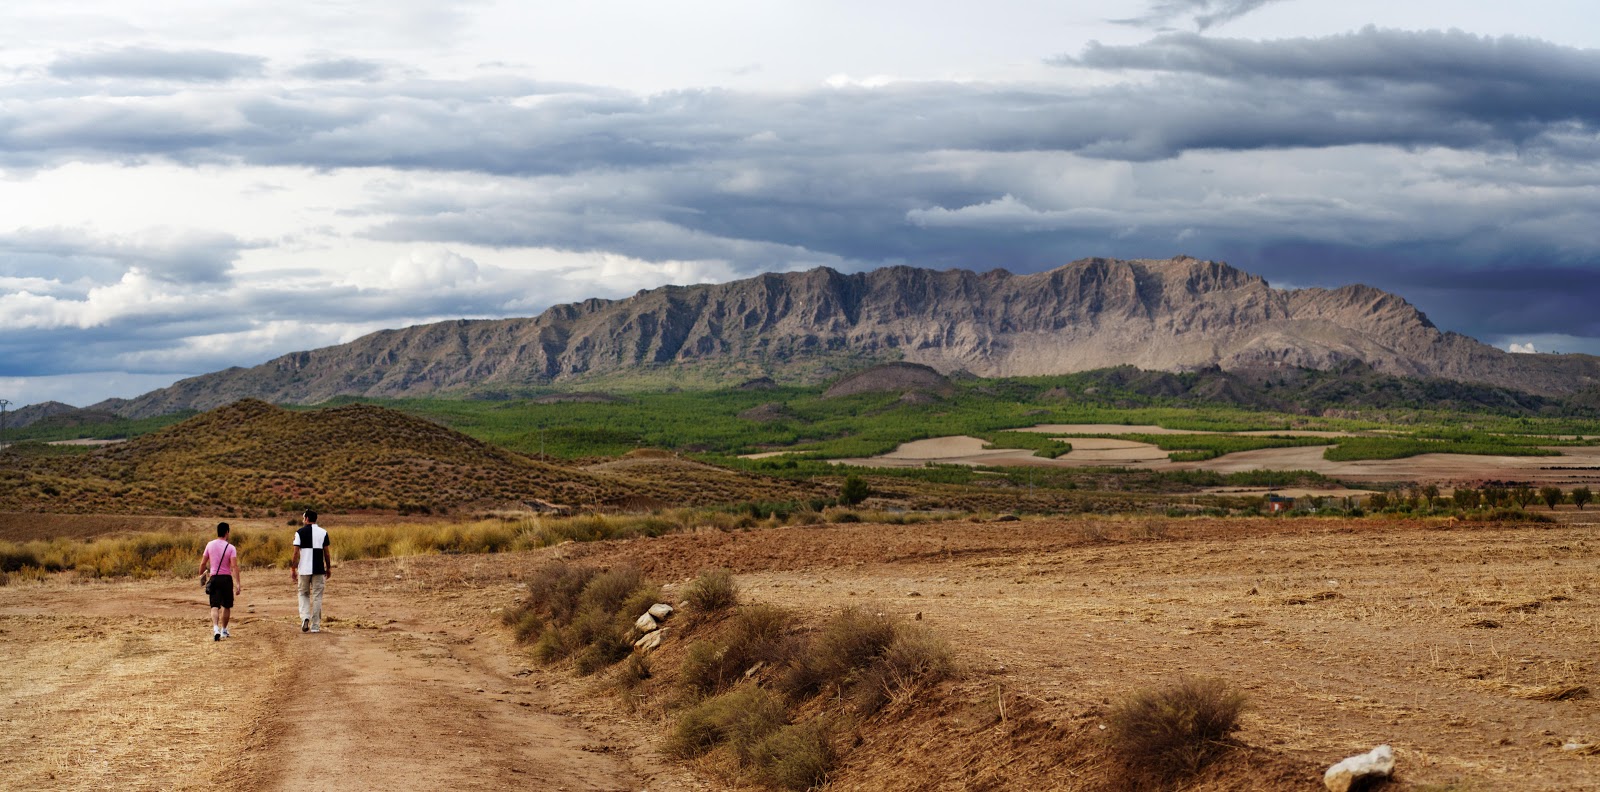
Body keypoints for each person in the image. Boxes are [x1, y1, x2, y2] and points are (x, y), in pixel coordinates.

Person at [291, 509, 332, 633]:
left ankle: (305, 617)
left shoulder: (299, 532)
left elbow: (295, 552)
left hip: (304, 569)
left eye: (304, 518)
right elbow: (327, 553)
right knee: (317, 596)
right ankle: (315, 626)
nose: (303, 520)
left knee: (303, 594)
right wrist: (328, 567)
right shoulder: (323, 532)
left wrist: (293, 568)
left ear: (307, 519)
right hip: (319, 569)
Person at [200, 522, 241, 641]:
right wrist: (238, 583)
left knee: (214, 606)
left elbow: (203, 563)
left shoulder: (210, 545)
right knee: (226, 606)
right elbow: (234, 566)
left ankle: (215, 628)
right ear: (227, 532)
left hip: (214, 578)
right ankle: (224, 630)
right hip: (226, 579)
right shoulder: (231, 547)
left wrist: (201, 575)